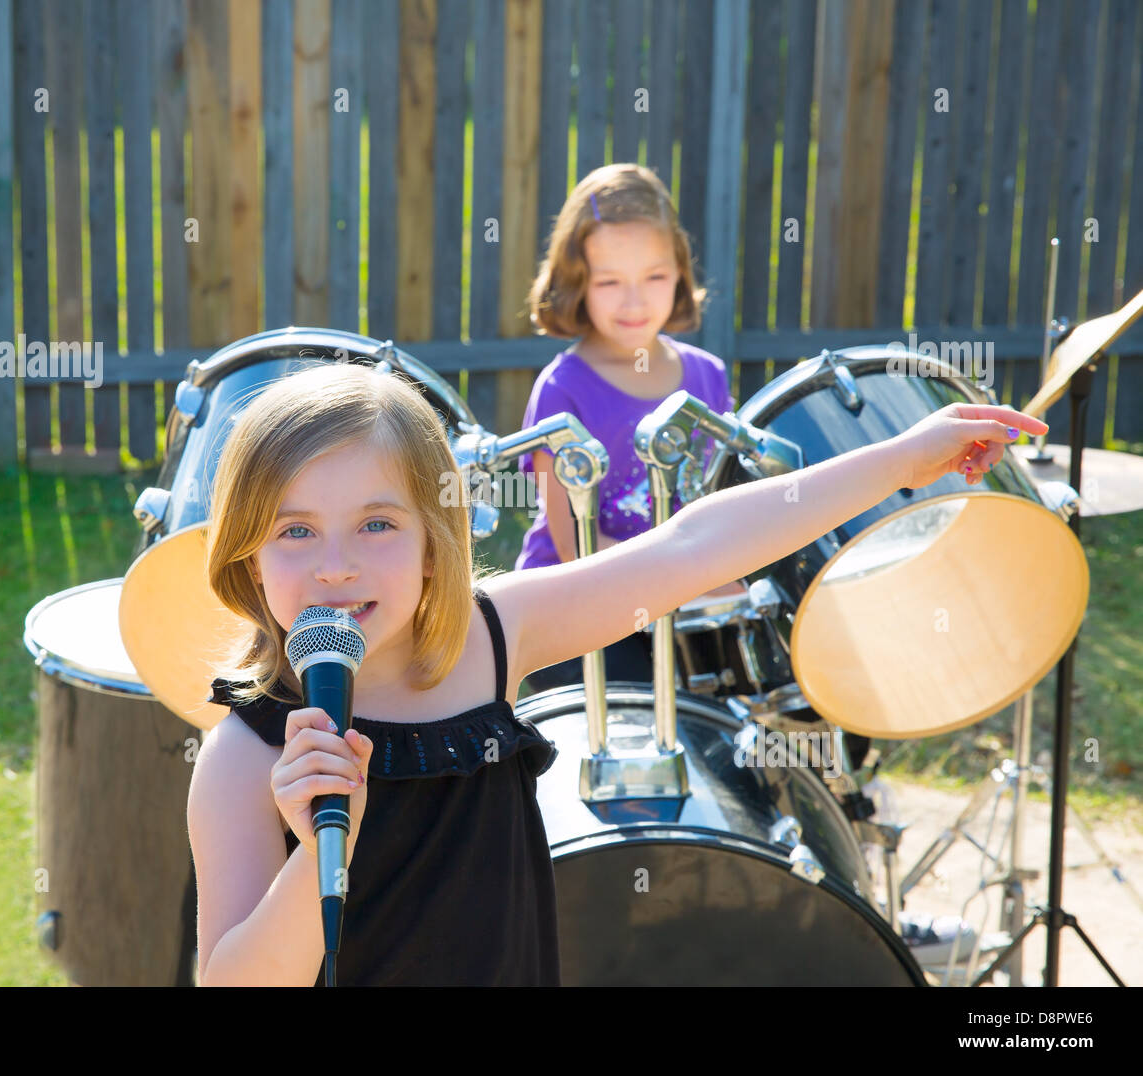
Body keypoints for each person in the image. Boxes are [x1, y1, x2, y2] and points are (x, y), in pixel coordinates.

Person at [188, 358, 1044, 986]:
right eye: (295, 531)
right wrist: (320, 855)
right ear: (249, 558)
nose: (336, 565)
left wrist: (901, 458)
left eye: (377, 524)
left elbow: (692, 544)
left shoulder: (491, 638)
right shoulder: (244, 759)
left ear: (431, 546)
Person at [515, 163, 739, 692]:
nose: (635, 301)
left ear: (681, 274)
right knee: (638, 710)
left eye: (655, 277)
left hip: (681, 604)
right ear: (575, 284)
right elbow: (574, 543)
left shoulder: (706, 376)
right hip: (575, 613)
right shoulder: (561, 389)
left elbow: (725, 499)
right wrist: (684, 581)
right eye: (610, 281)